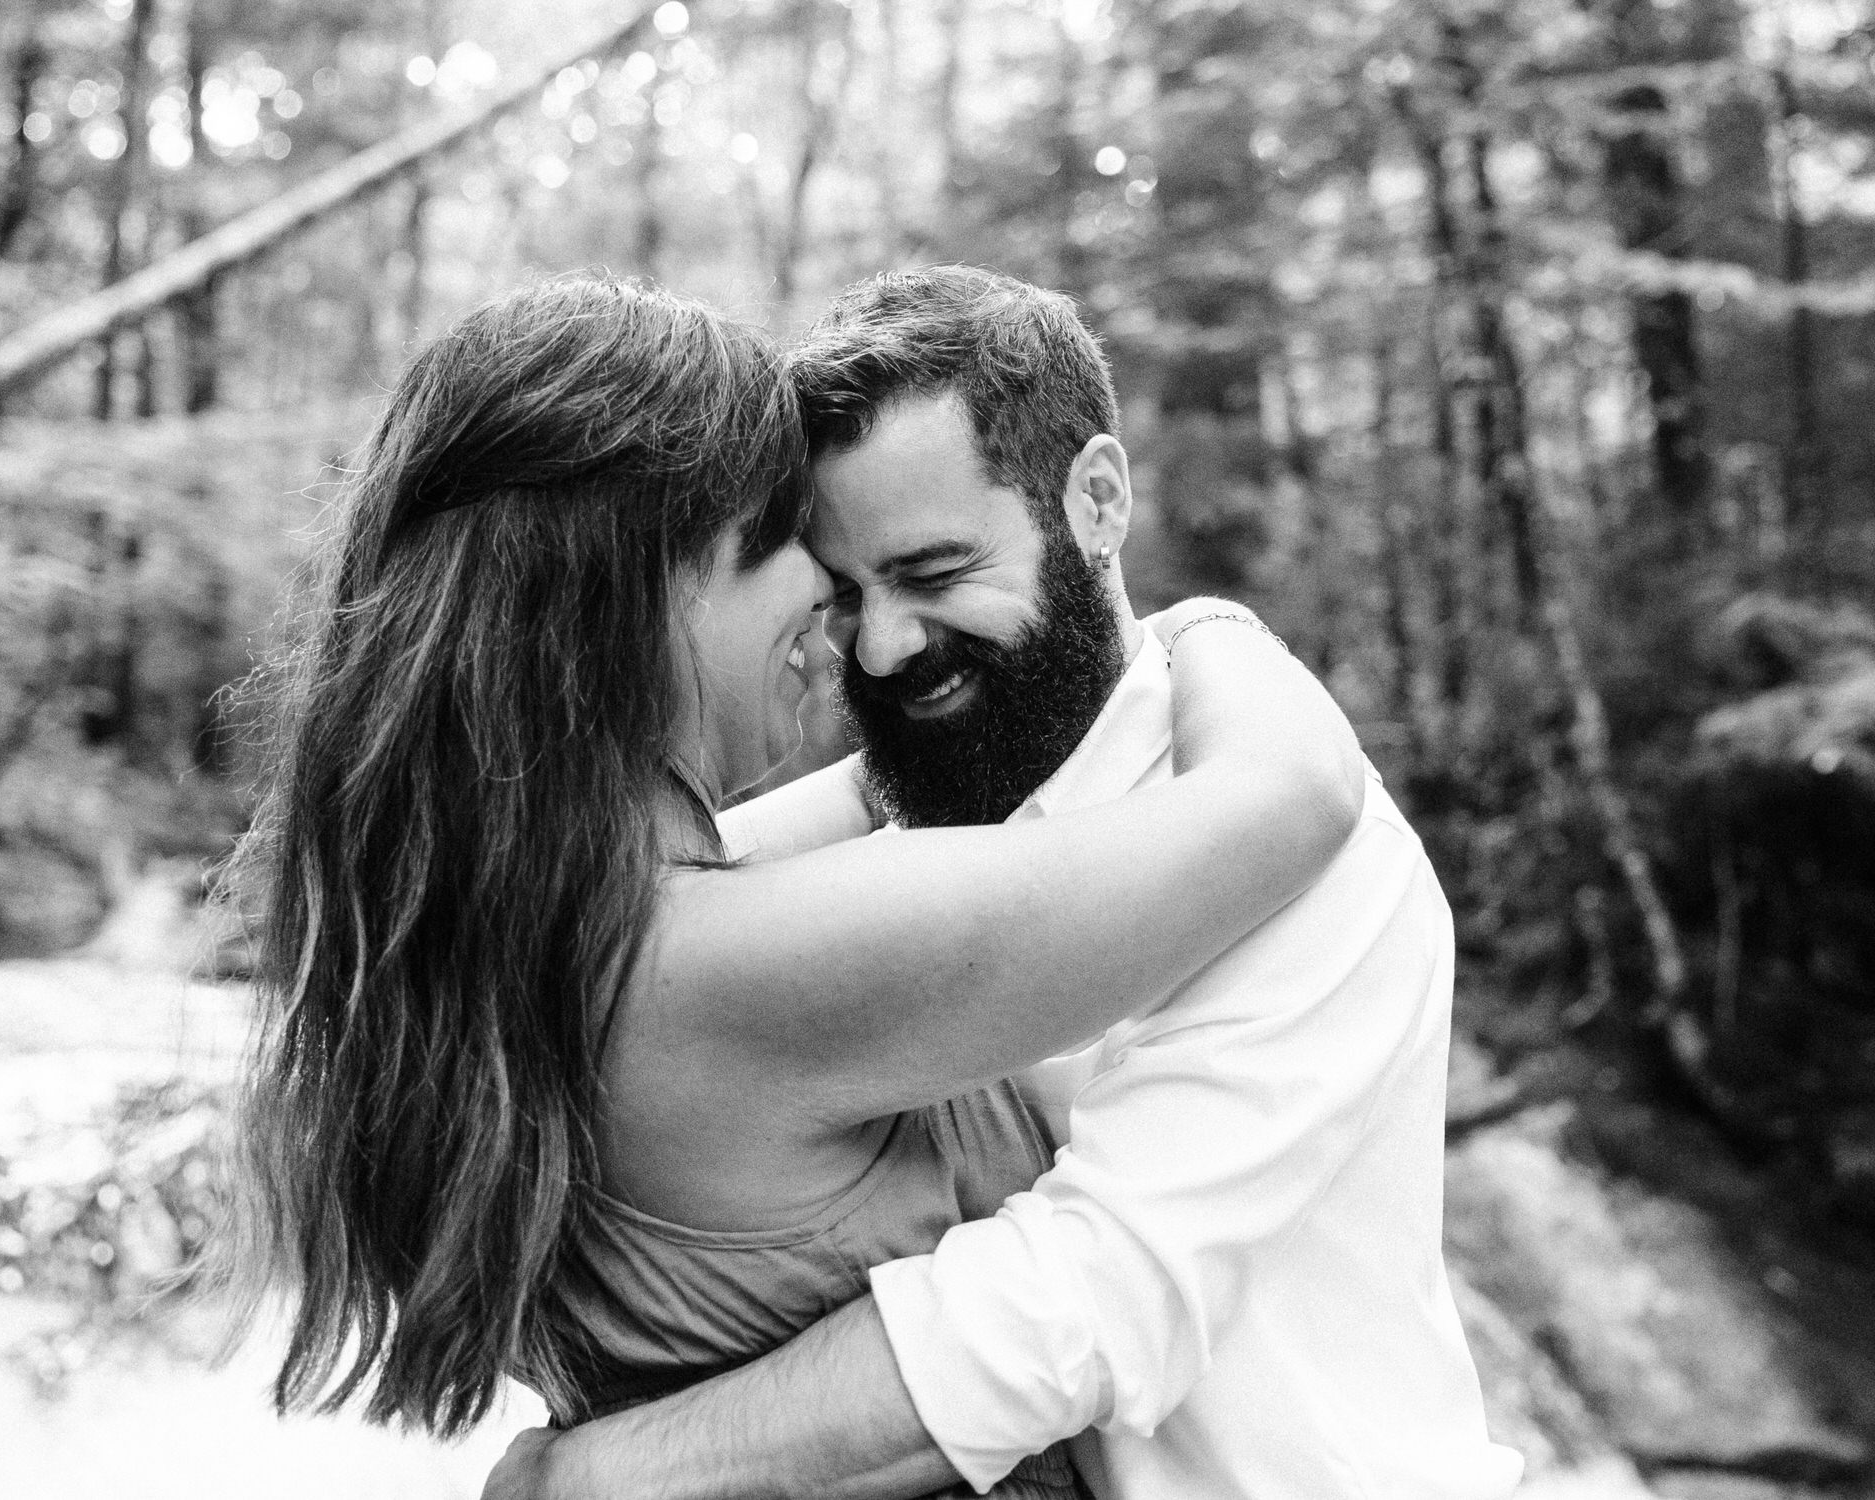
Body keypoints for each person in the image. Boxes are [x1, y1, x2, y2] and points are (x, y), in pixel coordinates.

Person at [218, 272, 1368, 1496]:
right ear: (643, 587)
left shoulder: (502, 938)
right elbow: (1293, 796)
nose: (829, 603)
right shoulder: (741, 963)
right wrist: (1207, 628)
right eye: (779, 544)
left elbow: (895, 794)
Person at [484, 268, 1525, 1500]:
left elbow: (1084, 1301)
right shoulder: (912, 806)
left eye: (933, 573)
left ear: (1094, 499)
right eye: (847, 591)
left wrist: (600, 1480)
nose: (879, 646)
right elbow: (662, 914)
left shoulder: (1300, 856)